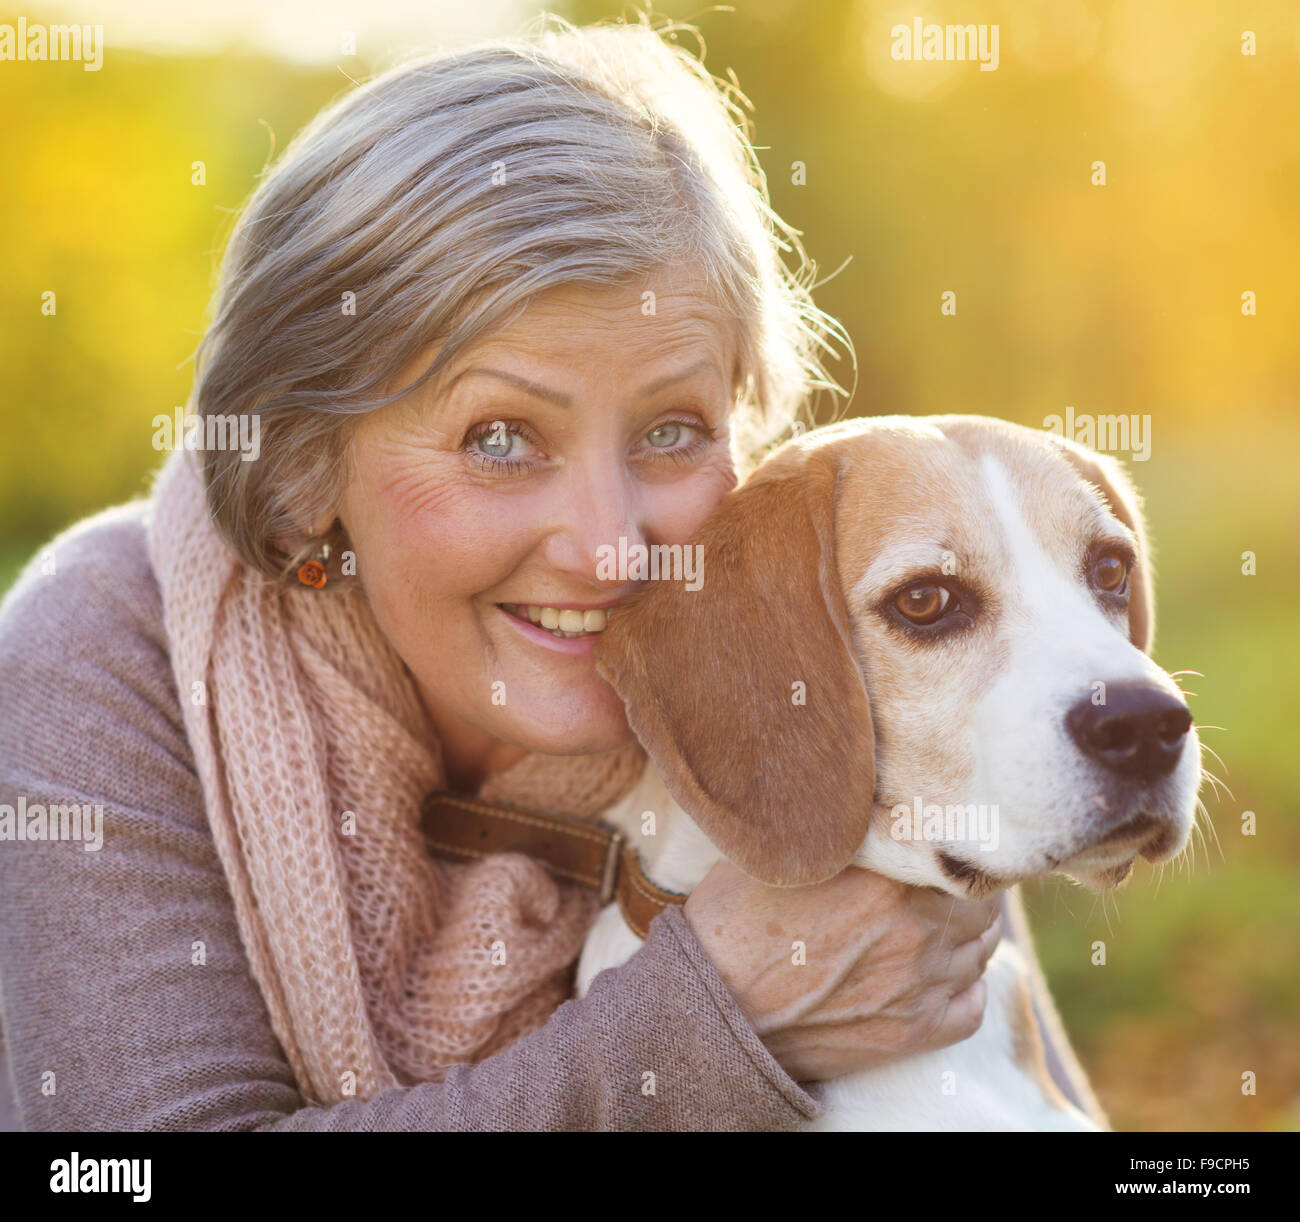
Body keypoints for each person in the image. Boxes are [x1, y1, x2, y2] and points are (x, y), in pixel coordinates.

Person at [0, 16, 1100, 1130]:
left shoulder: (794, 642)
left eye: (673, 428)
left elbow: (1032, 1102)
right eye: (499, 437)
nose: (612, 544)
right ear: (302, 467)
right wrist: (702, 1031)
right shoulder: (103, 650)